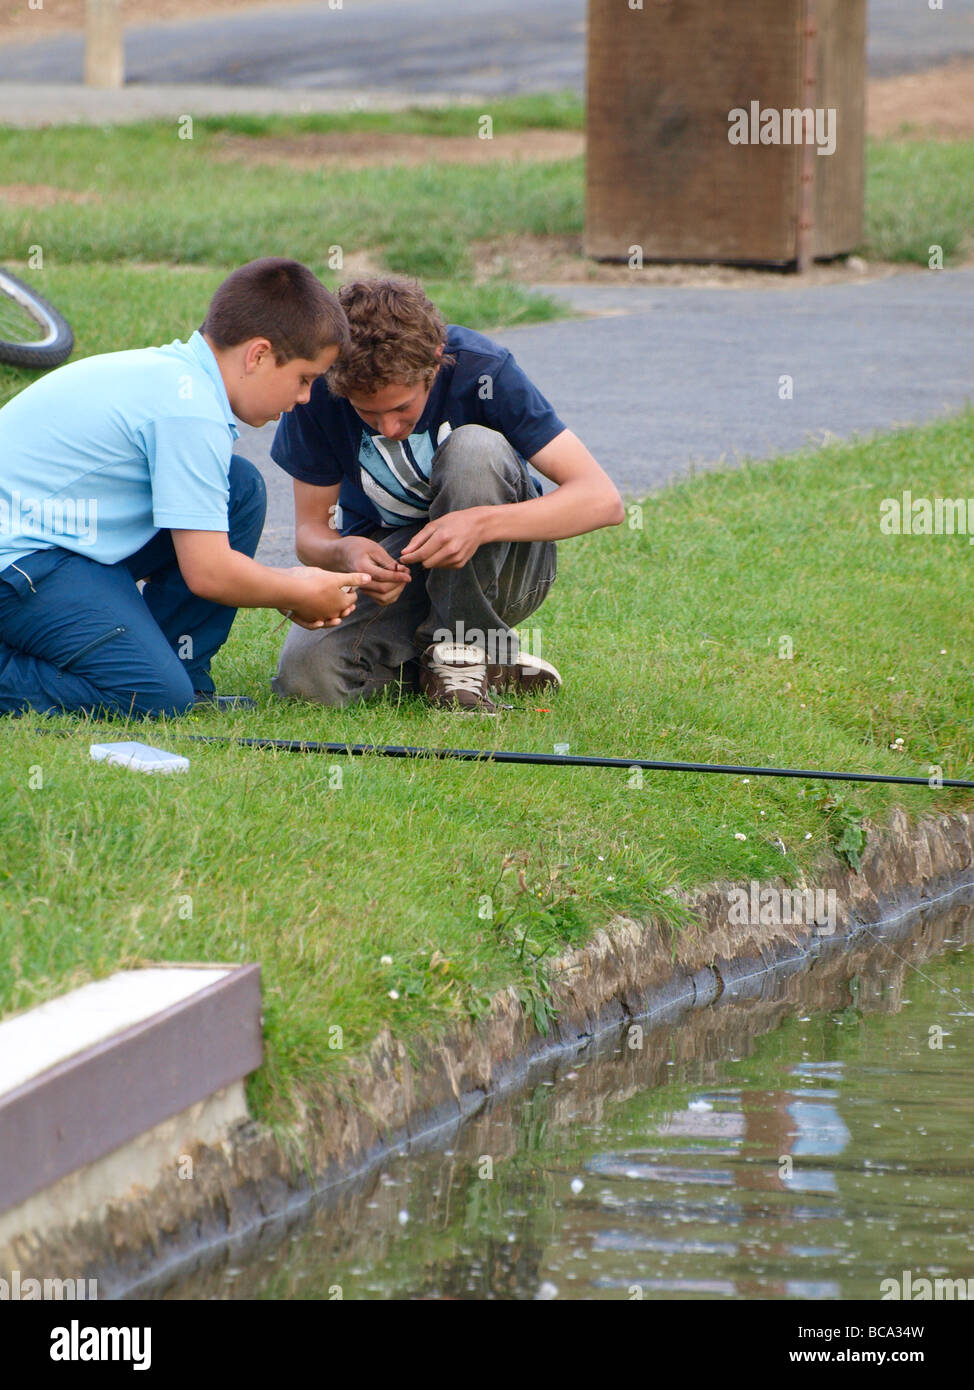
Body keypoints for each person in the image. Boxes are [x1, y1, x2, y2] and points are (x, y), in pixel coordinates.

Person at [0, 258, 372, 719]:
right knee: (152, 697)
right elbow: (209, 572)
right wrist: (292, 589)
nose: (304, 399)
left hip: (64, 543)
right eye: (304, 379)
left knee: (239, 488)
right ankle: (163, 683)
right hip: (22, 562)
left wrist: (284, 589)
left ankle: (184, 671)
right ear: (257, 355)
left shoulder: (182, 379)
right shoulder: (189, 409)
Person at [271, 276, 624, 712]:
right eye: (368, 412)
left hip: (506, 567)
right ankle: (472, 663)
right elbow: (310, 535)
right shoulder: (321, 390)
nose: (388, 429)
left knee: (475, 450)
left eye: (402, 408)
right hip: (401, 571)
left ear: (434, 365)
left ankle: (461, 651)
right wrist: (344, 553)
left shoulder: (482, 369)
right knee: (307, 681)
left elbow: (602, 500)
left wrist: (478, 523)